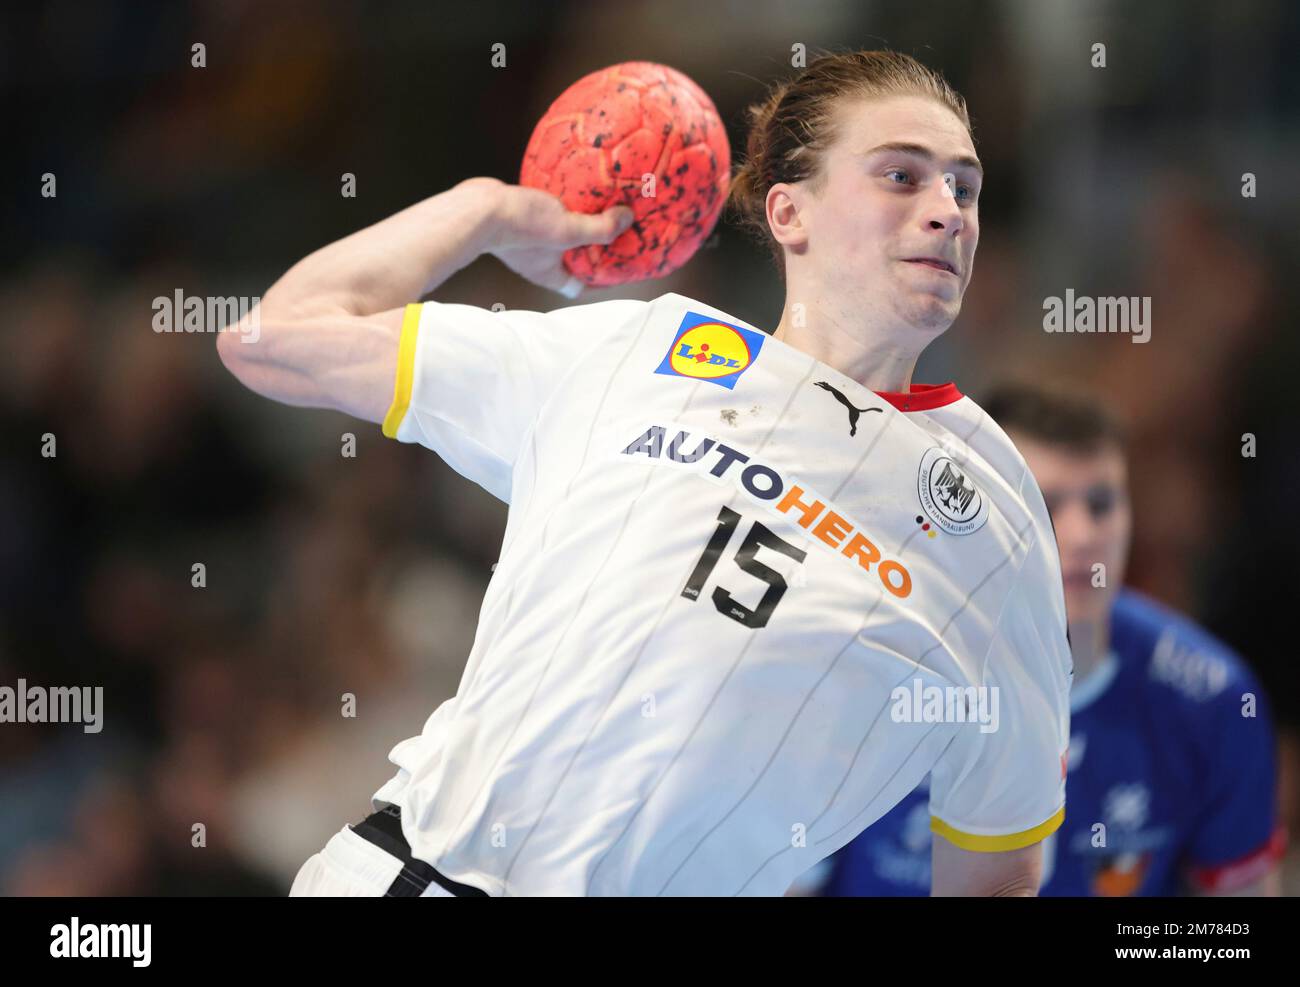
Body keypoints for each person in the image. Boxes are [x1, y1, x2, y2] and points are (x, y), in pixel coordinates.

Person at [217, 50, 1072, 896]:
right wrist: (480, 213)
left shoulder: (996, 520)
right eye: (901, 176)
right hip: (401, 871)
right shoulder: (633, 349)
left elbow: (999, 867)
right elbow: (275, 341)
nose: (946, 212)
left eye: (965, 188)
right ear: (788, 213)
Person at [811, 383, 1284, 897]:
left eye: (1102, 504)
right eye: (1046, 505)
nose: (1083, 536)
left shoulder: (1212, 698)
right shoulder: (866, 671)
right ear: (973, 515)